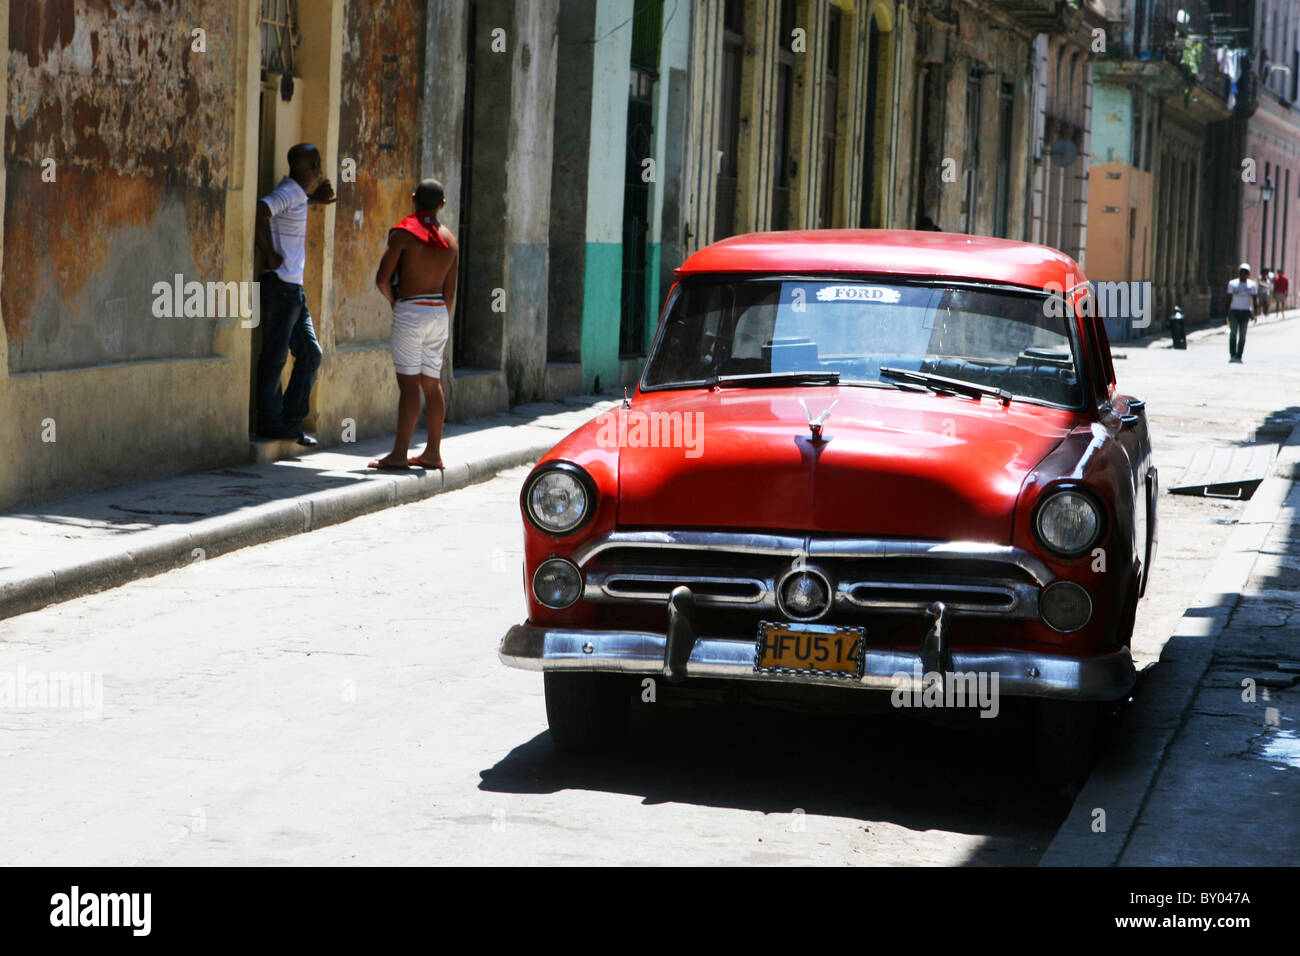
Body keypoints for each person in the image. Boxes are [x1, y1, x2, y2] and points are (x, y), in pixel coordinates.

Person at [368, 179, 459, 470]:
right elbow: (450, 292)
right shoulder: (450, 240)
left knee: (408, 385)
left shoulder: (403, 234)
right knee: (432, 383)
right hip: (439, 313)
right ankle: (433, 453)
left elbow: (382, 279)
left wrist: (396, 302)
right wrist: (439, 317)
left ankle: (399, 454)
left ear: (413, 199)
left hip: (411, 310)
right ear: (442, 205)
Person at [253, 143, 336, 445]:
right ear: (314, 166)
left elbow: (289, 208)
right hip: (280, 287)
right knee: (274, 357)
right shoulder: (288, 191)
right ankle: (271, 421)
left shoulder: (296, 194)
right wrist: (269, 252)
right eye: (319, 164)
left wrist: (314, 199)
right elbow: (261, 210)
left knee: (311, 353)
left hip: (292, 290)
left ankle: (289, 419)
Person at [1225, 262, 1258, 363]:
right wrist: (1226, 313)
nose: (1243, 274)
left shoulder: (1251, 285)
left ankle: (1239, 355)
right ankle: (1232, 354)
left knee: (1242, 336)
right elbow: (1228, 299)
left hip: (1245, 312)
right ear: (1239, 272)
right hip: (1234, 311)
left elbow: (1254, 300)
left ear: (1248, 274)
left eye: (1245, 272)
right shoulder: (1232, 284)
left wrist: (1255, 314)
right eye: (1241, 272)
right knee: (1233, 334)